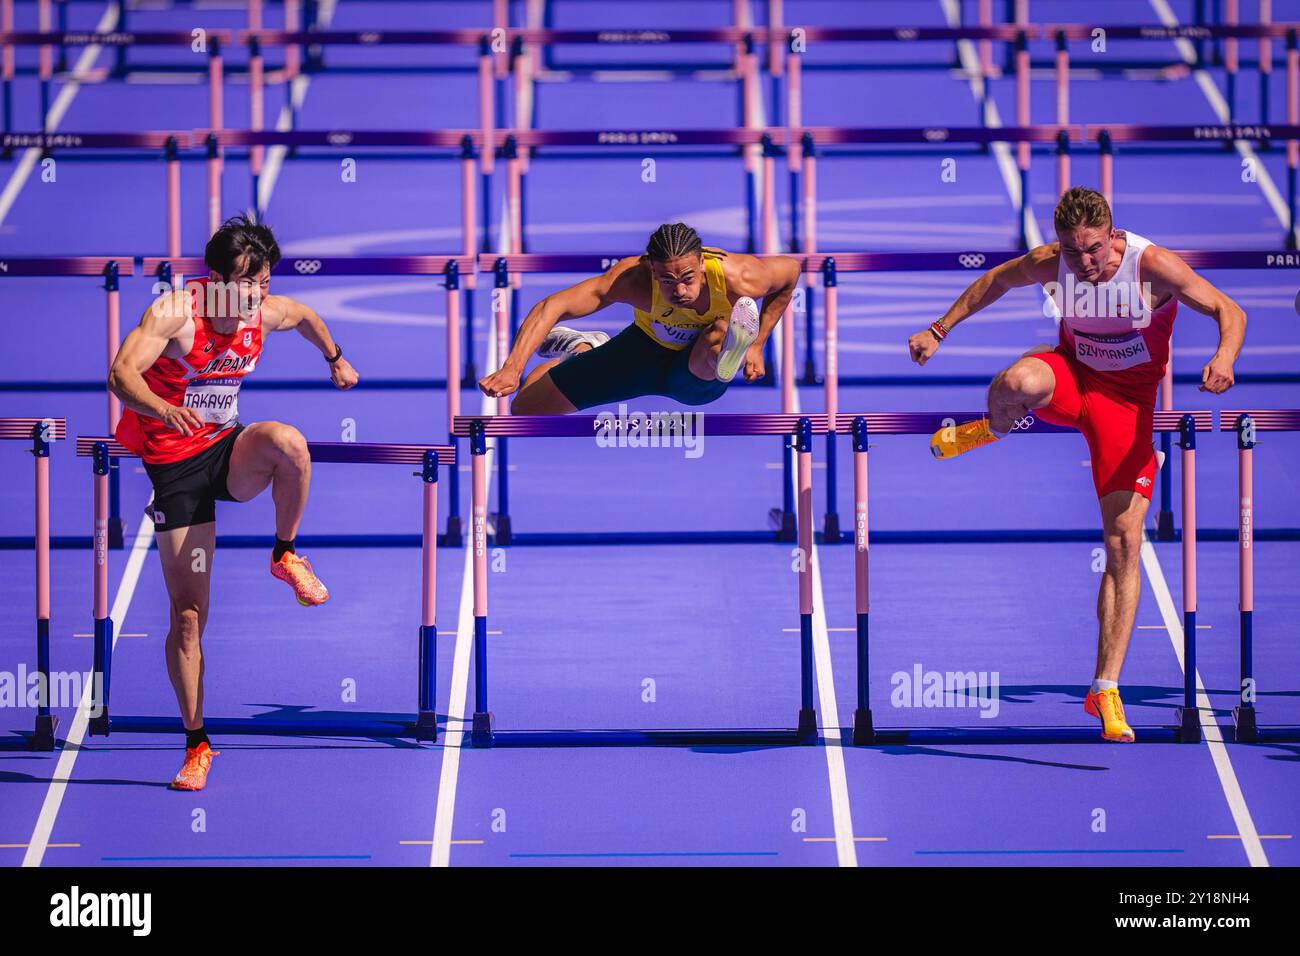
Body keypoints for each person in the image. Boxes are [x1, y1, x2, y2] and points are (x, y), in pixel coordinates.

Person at [907, 186, 1245, 742]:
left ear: (1114, 236)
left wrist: (1223, 356)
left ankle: (1105, 690)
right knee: (1015, 382)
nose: (1083, 262)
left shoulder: (1152, 267)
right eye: (1071, 250)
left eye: (1092, 249)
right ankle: (991, 429)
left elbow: (1229, 309)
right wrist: (940, 329)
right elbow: (995, 280)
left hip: (1126, 408)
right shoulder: (1053, 262)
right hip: (1071, 380)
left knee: (1122, 544)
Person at [108, 214, 358, 789]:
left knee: (289, 443)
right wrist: (163, 408)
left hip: (227, 451)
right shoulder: (176, 314)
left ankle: (285, 553)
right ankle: (197, 743)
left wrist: (335, 358)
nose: (259, 295)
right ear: (215, 278)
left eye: (265, 282)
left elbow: (305, 317)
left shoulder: (263, 312)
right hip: (176, 469)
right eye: (249, 283)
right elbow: (121, 373)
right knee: (189, 619)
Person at [477, 222, 802, 412]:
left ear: (702, 264)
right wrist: (512, 368)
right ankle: (583, 349)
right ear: (652, 270)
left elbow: (790, 272)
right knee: (524, 410)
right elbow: (553, 305)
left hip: (697, 371)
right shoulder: (632, 279)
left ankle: (734, 348)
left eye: (688, 278)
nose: (679, 291)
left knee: (719, 333)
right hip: (642, 353)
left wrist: (758, 343)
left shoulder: (742, 276)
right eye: (667, 281)